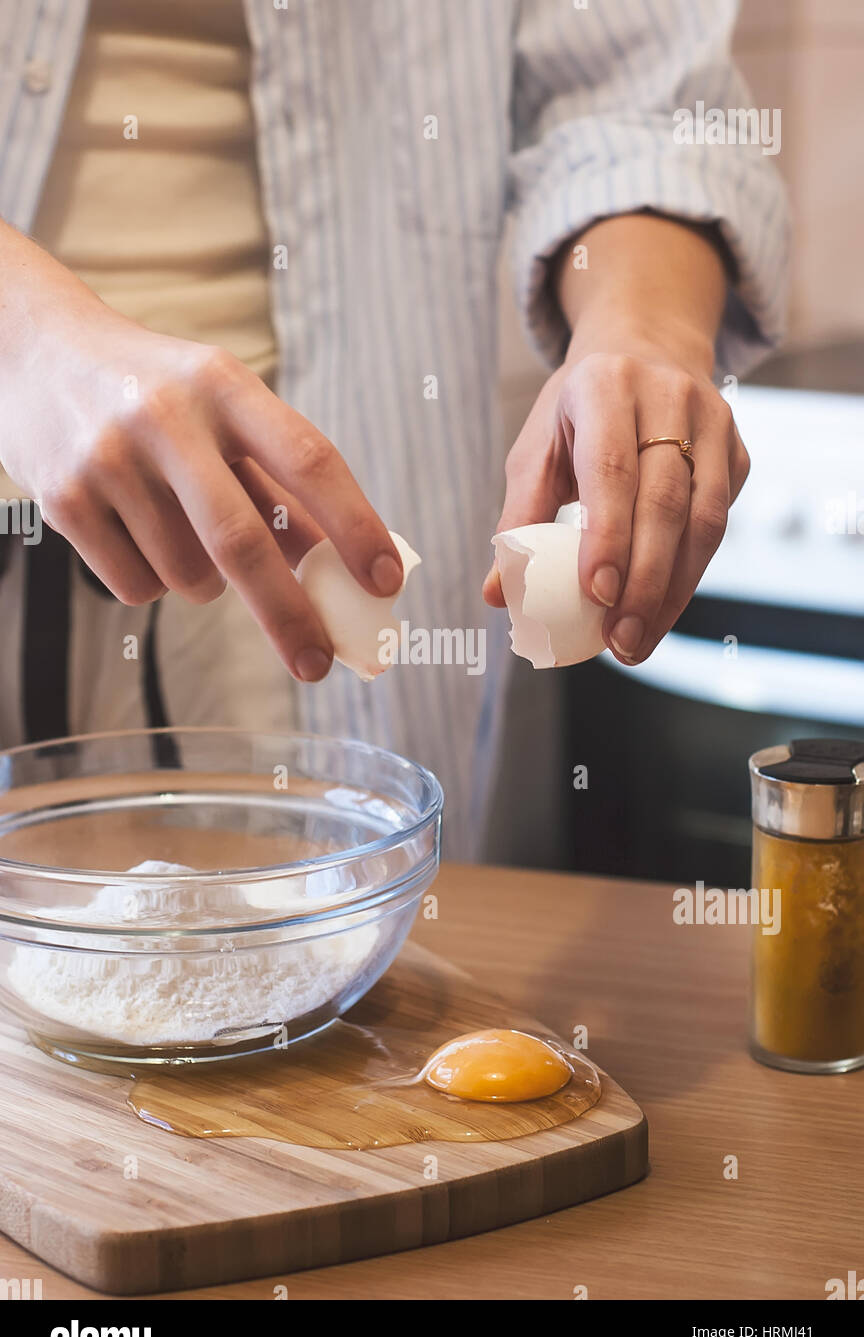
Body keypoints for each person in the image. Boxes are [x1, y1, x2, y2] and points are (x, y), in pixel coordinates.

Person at [0, 0, 787, 856]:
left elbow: (636, 97)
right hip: (27, 508)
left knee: (345, 947)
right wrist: (25, 342)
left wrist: (643, 330)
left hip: (313, 542)